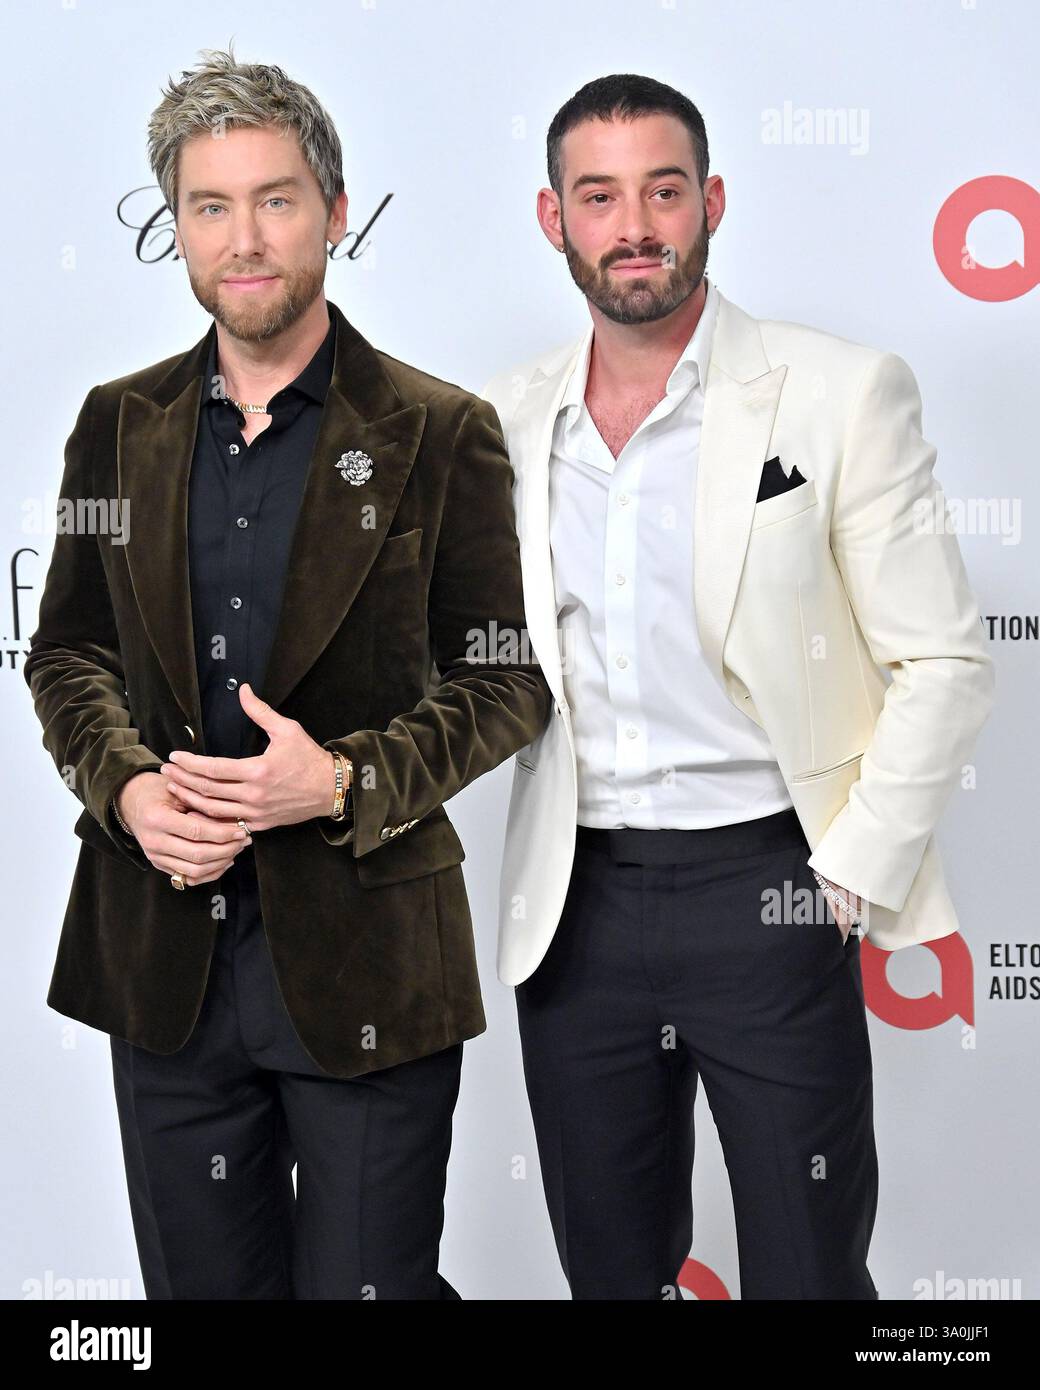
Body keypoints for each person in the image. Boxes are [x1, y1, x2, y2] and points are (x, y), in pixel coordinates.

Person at [24, 44, 551, 1300]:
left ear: (336, 210)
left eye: (274, 200)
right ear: (177, 228)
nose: (244, 237)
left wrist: (343, 781)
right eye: (211, 206)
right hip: (164, 959)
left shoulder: (437, 427)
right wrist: (128, 790)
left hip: (369, 959)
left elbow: (502, 678)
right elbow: (69, 649)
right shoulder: (116, 423)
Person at [481, 73, 995, 1300]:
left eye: (662, 190)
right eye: (597, 197)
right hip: (576, 902)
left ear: (709, 202)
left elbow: (942, 659)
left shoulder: (835, 391)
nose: (634, 224)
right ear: (554, 220)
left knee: (806, 1271)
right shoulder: (499, 421)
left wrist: (844, 872)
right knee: (609, 1271)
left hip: (767, 887)